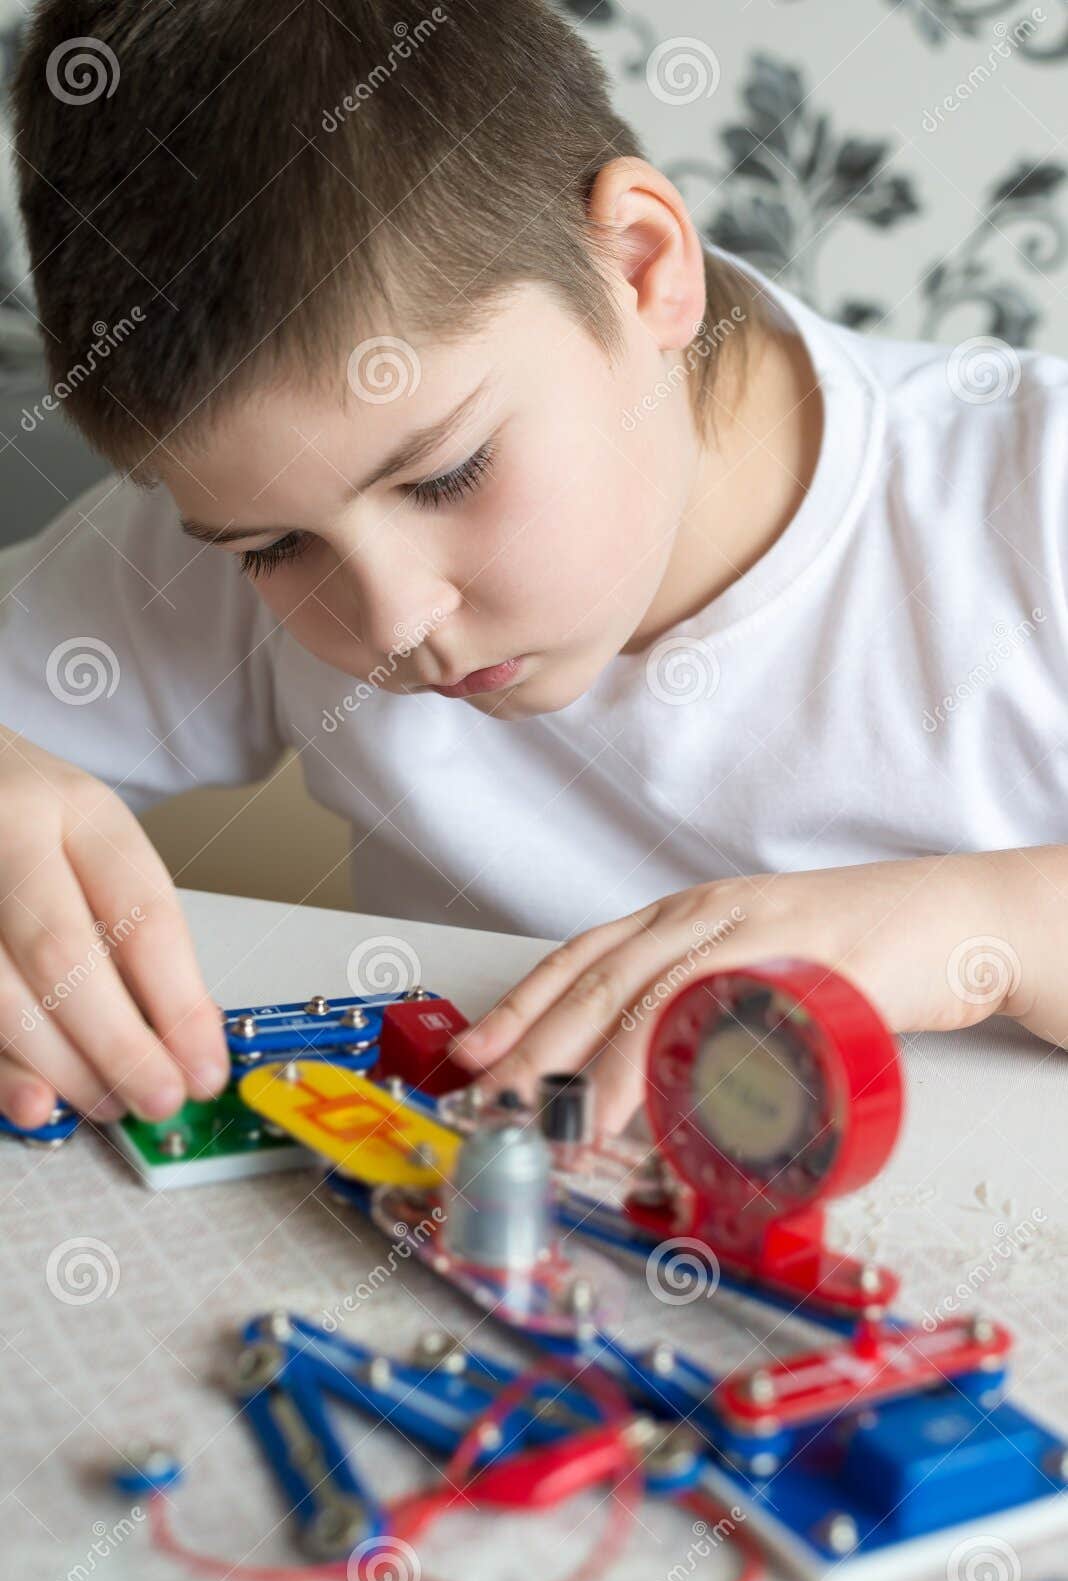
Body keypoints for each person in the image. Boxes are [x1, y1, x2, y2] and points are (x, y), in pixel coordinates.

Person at [1, 0, 1065, 1141]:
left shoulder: (1031, 497)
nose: (396, 621)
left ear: (642, 265)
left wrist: (987, 922)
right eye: (273, 551)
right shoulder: (269, 490)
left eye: (447, 477)